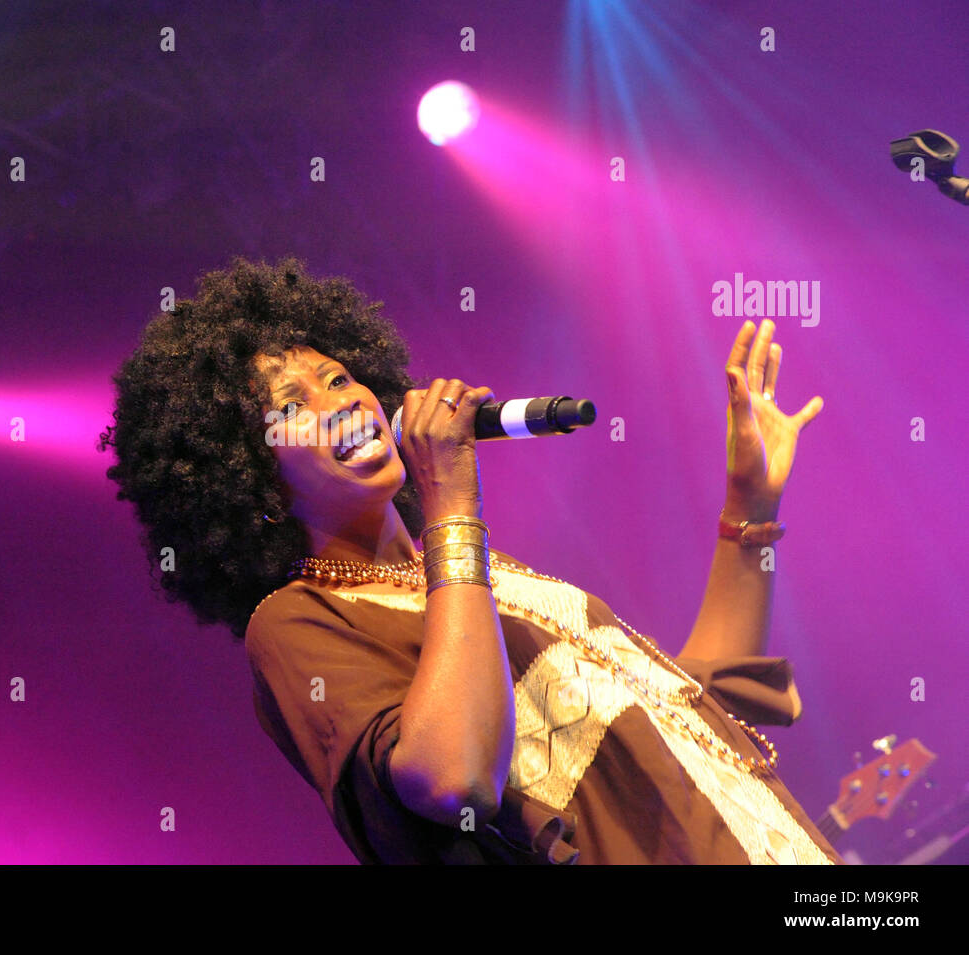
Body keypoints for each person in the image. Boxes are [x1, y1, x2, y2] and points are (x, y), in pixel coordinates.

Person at [99, 255, 838, 864]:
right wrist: (453, 506)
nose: (340, 401)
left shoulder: (483, 578)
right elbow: (453, 777)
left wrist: (749, 504)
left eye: (336, 377)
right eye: (291, 407)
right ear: (252, 485)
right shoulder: (298, 621)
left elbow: (692, 704)